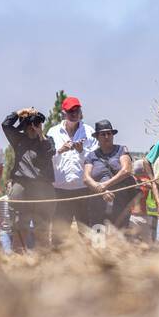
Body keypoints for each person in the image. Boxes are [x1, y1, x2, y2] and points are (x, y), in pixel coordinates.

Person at [1, 108, 57, 249]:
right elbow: (6, 125)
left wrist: (40, 134)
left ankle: (43, 263)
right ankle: (18, 263)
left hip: (43, 188)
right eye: (30, 124)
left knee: (42, 229)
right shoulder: (18, 139)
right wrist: (20, 112)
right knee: (20, 228)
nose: (33, 127)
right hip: (22, 186)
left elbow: (50, 151)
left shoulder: (47, 140)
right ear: (24, 127)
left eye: (37, 124)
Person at [49, 96, 97, 235]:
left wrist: (82, 151)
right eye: (71, 111)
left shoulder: (89, 132)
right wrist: (60, 151)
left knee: (86, 231)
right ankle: (59, 256)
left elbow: (95, 159)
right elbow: (46, 158)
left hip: (84, 189)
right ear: (63, 113)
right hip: (60, 191)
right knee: (59, 234)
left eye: (77, 110)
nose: (75, 113)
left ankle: (90, 256)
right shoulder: (53, 132)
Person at [83, 120, 135, 229]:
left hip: (120, 204)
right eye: (103, 134)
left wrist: (105, 185)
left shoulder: (121, 150)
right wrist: (102, 191)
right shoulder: (91, 156)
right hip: (97, 206)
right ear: (97, 137)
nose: (107, 136)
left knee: (119, 239)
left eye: (109, 133)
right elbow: (86, 179)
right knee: (98, 239)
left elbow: (126, 170)